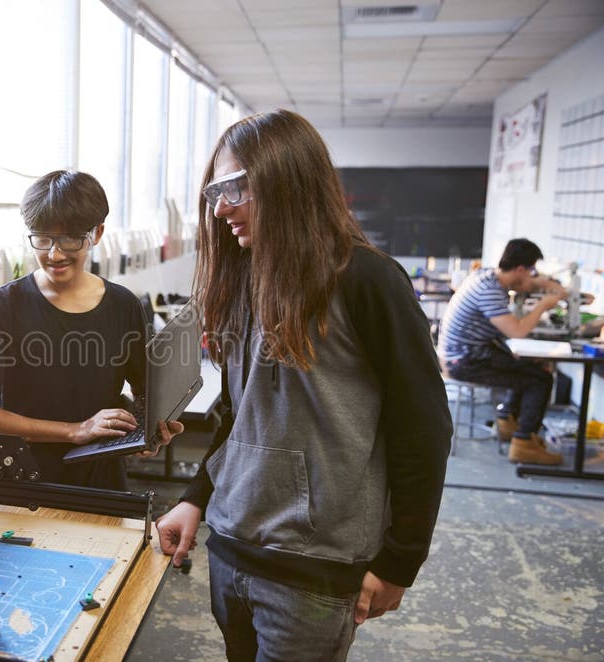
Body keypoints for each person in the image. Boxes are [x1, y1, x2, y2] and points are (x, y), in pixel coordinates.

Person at [154, 110, 452, 661]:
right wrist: (197, 498)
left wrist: (399, 560)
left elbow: (424, 427)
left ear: (286, 178)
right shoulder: (246, 279)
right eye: (216, 191)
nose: (221, 208)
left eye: (234, 187)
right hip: (232, 549)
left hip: (313, 570)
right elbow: (241, 416)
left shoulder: (368, 280)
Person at [0, 169, 181, 490]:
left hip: (103, 480)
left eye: (70, 239)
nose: (54, 254)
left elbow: (148, 393)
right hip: (26, 478)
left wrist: (150, 430)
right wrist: (74, 430)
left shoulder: (123, 305)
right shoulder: (4, 306)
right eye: (42, 239)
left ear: (97, 233)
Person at [438, 238, 566, 465]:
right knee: (541, 379)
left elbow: (523, 287)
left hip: (463, 355)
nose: (533, 277)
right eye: (532, 271)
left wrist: (542, 285)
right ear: (520, 269)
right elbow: (516, 331)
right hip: (464, 362)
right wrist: (542, 305)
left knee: (531, 367)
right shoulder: (489, 291)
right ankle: (524, 444)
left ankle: (508, 420)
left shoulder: (486, 276)